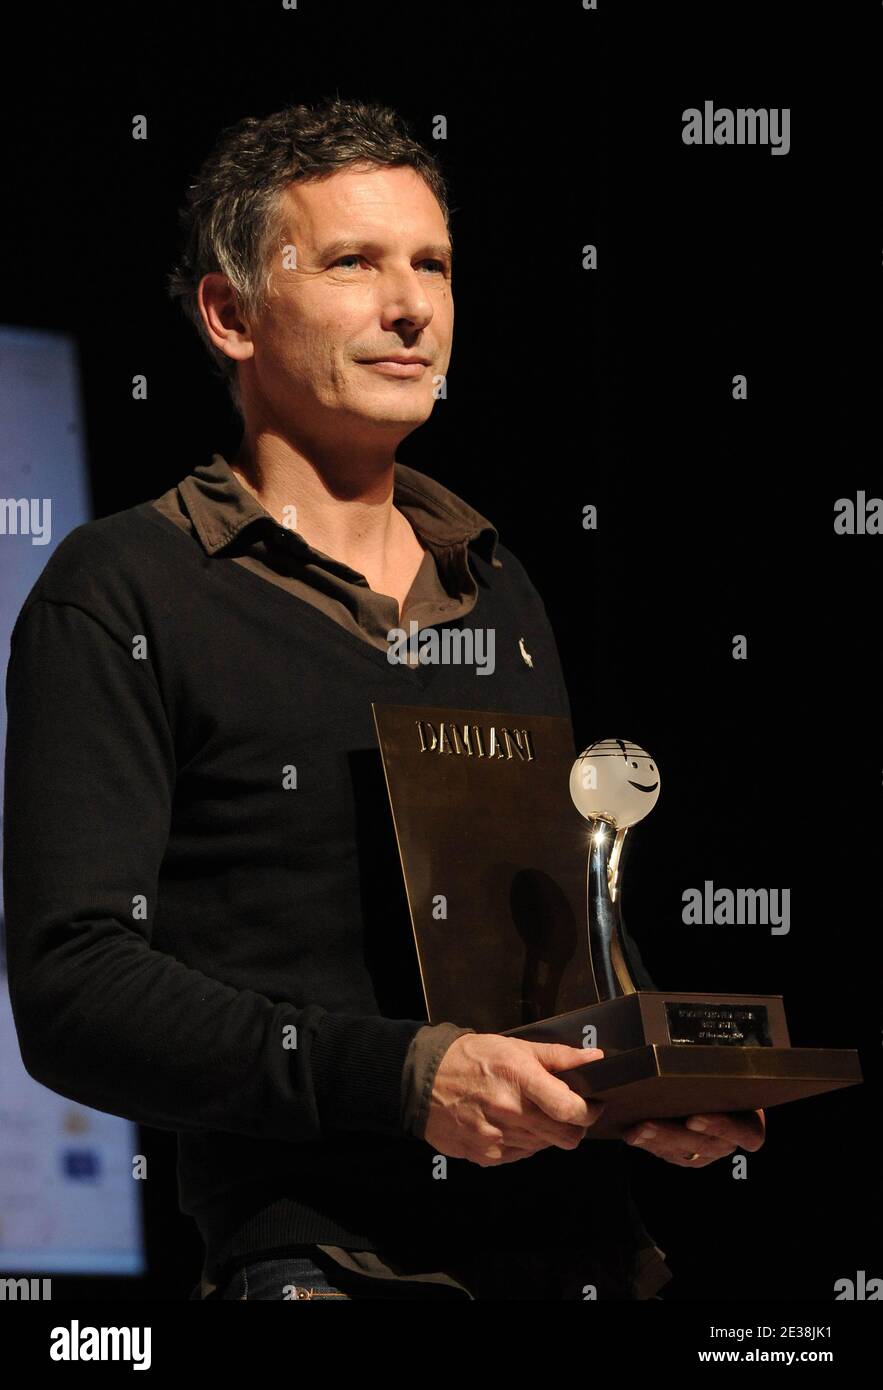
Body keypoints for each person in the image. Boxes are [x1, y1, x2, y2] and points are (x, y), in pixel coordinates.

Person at [2, 98, 764, 1302]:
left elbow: (543, 952)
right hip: (331, 1265)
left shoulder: (496, 581)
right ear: (229, 314)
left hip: (587, 1256)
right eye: (353, 263)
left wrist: (646, 1076)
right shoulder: (123, 588)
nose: (410, 305)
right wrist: (408, 1077)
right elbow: (74, 991)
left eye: (433, 264)